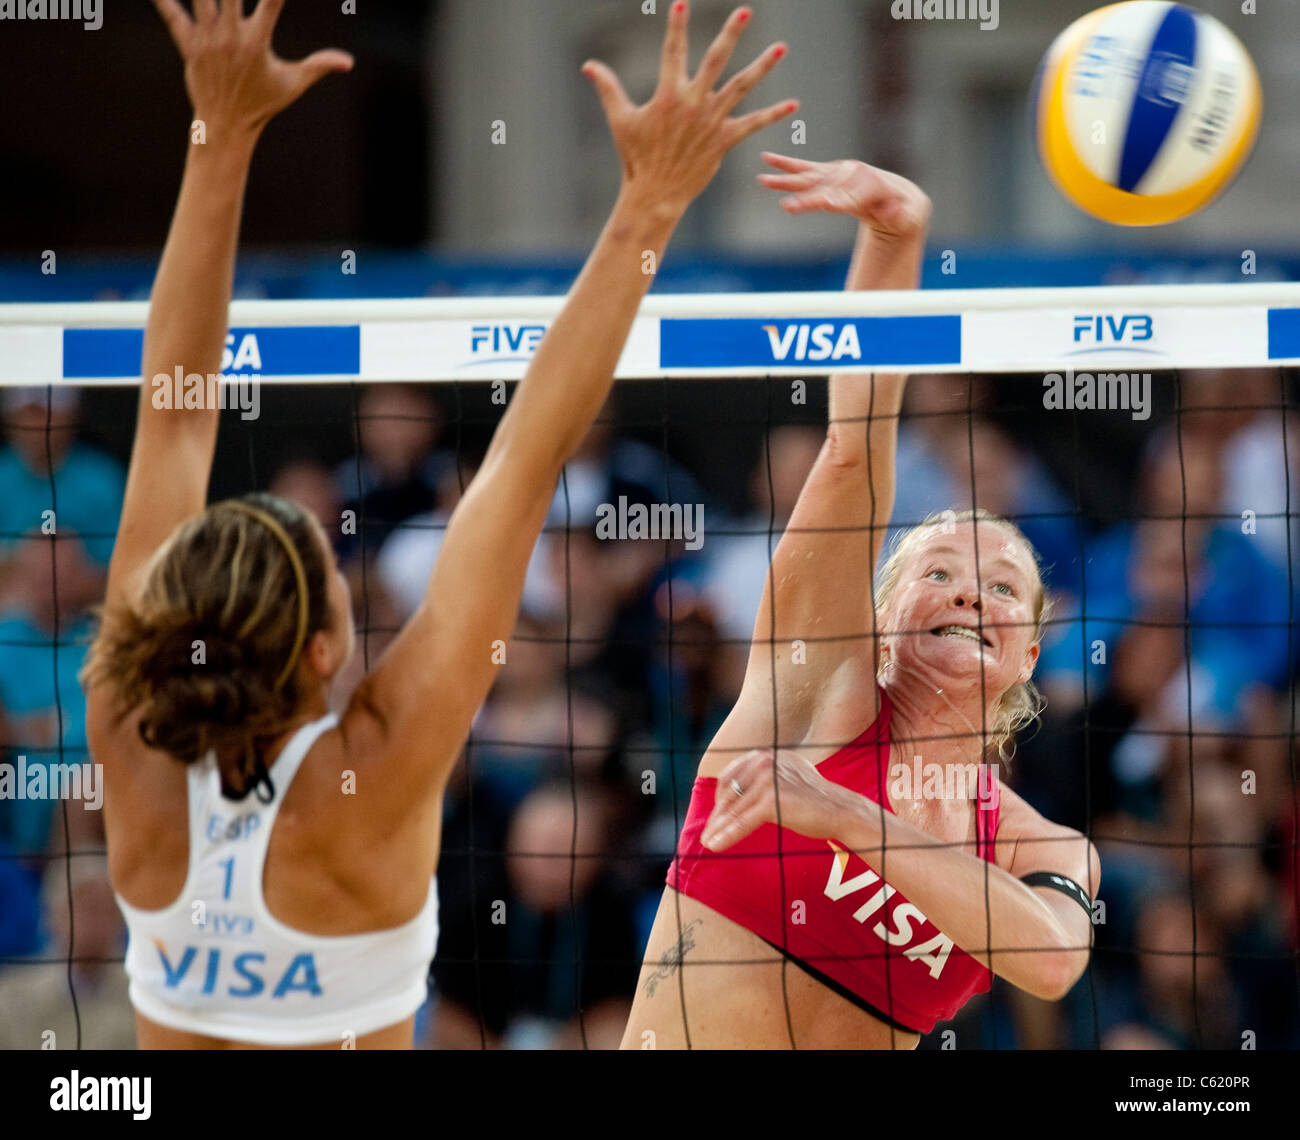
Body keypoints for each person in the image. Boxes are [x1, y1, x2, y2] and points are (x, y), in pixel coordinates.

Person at [81, 0, 793, 1049]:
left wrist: (217, 132)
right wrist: (652, 199)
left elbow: (173, 409)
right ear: (323, 650)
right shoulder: (380, 763)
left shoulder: (126, 727)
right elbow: (522, 459)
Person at [622, 155, 1101, 1049]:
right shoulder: (814, 700)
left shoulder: (1038, 845)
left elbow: (1050, 961)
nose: (970, 590)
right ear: (882, 622)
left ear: (1029, 655)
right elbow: (855, 446)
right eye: (938, 573)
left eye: (1002, 587)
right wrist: (892, 238)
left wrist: (840, 817)